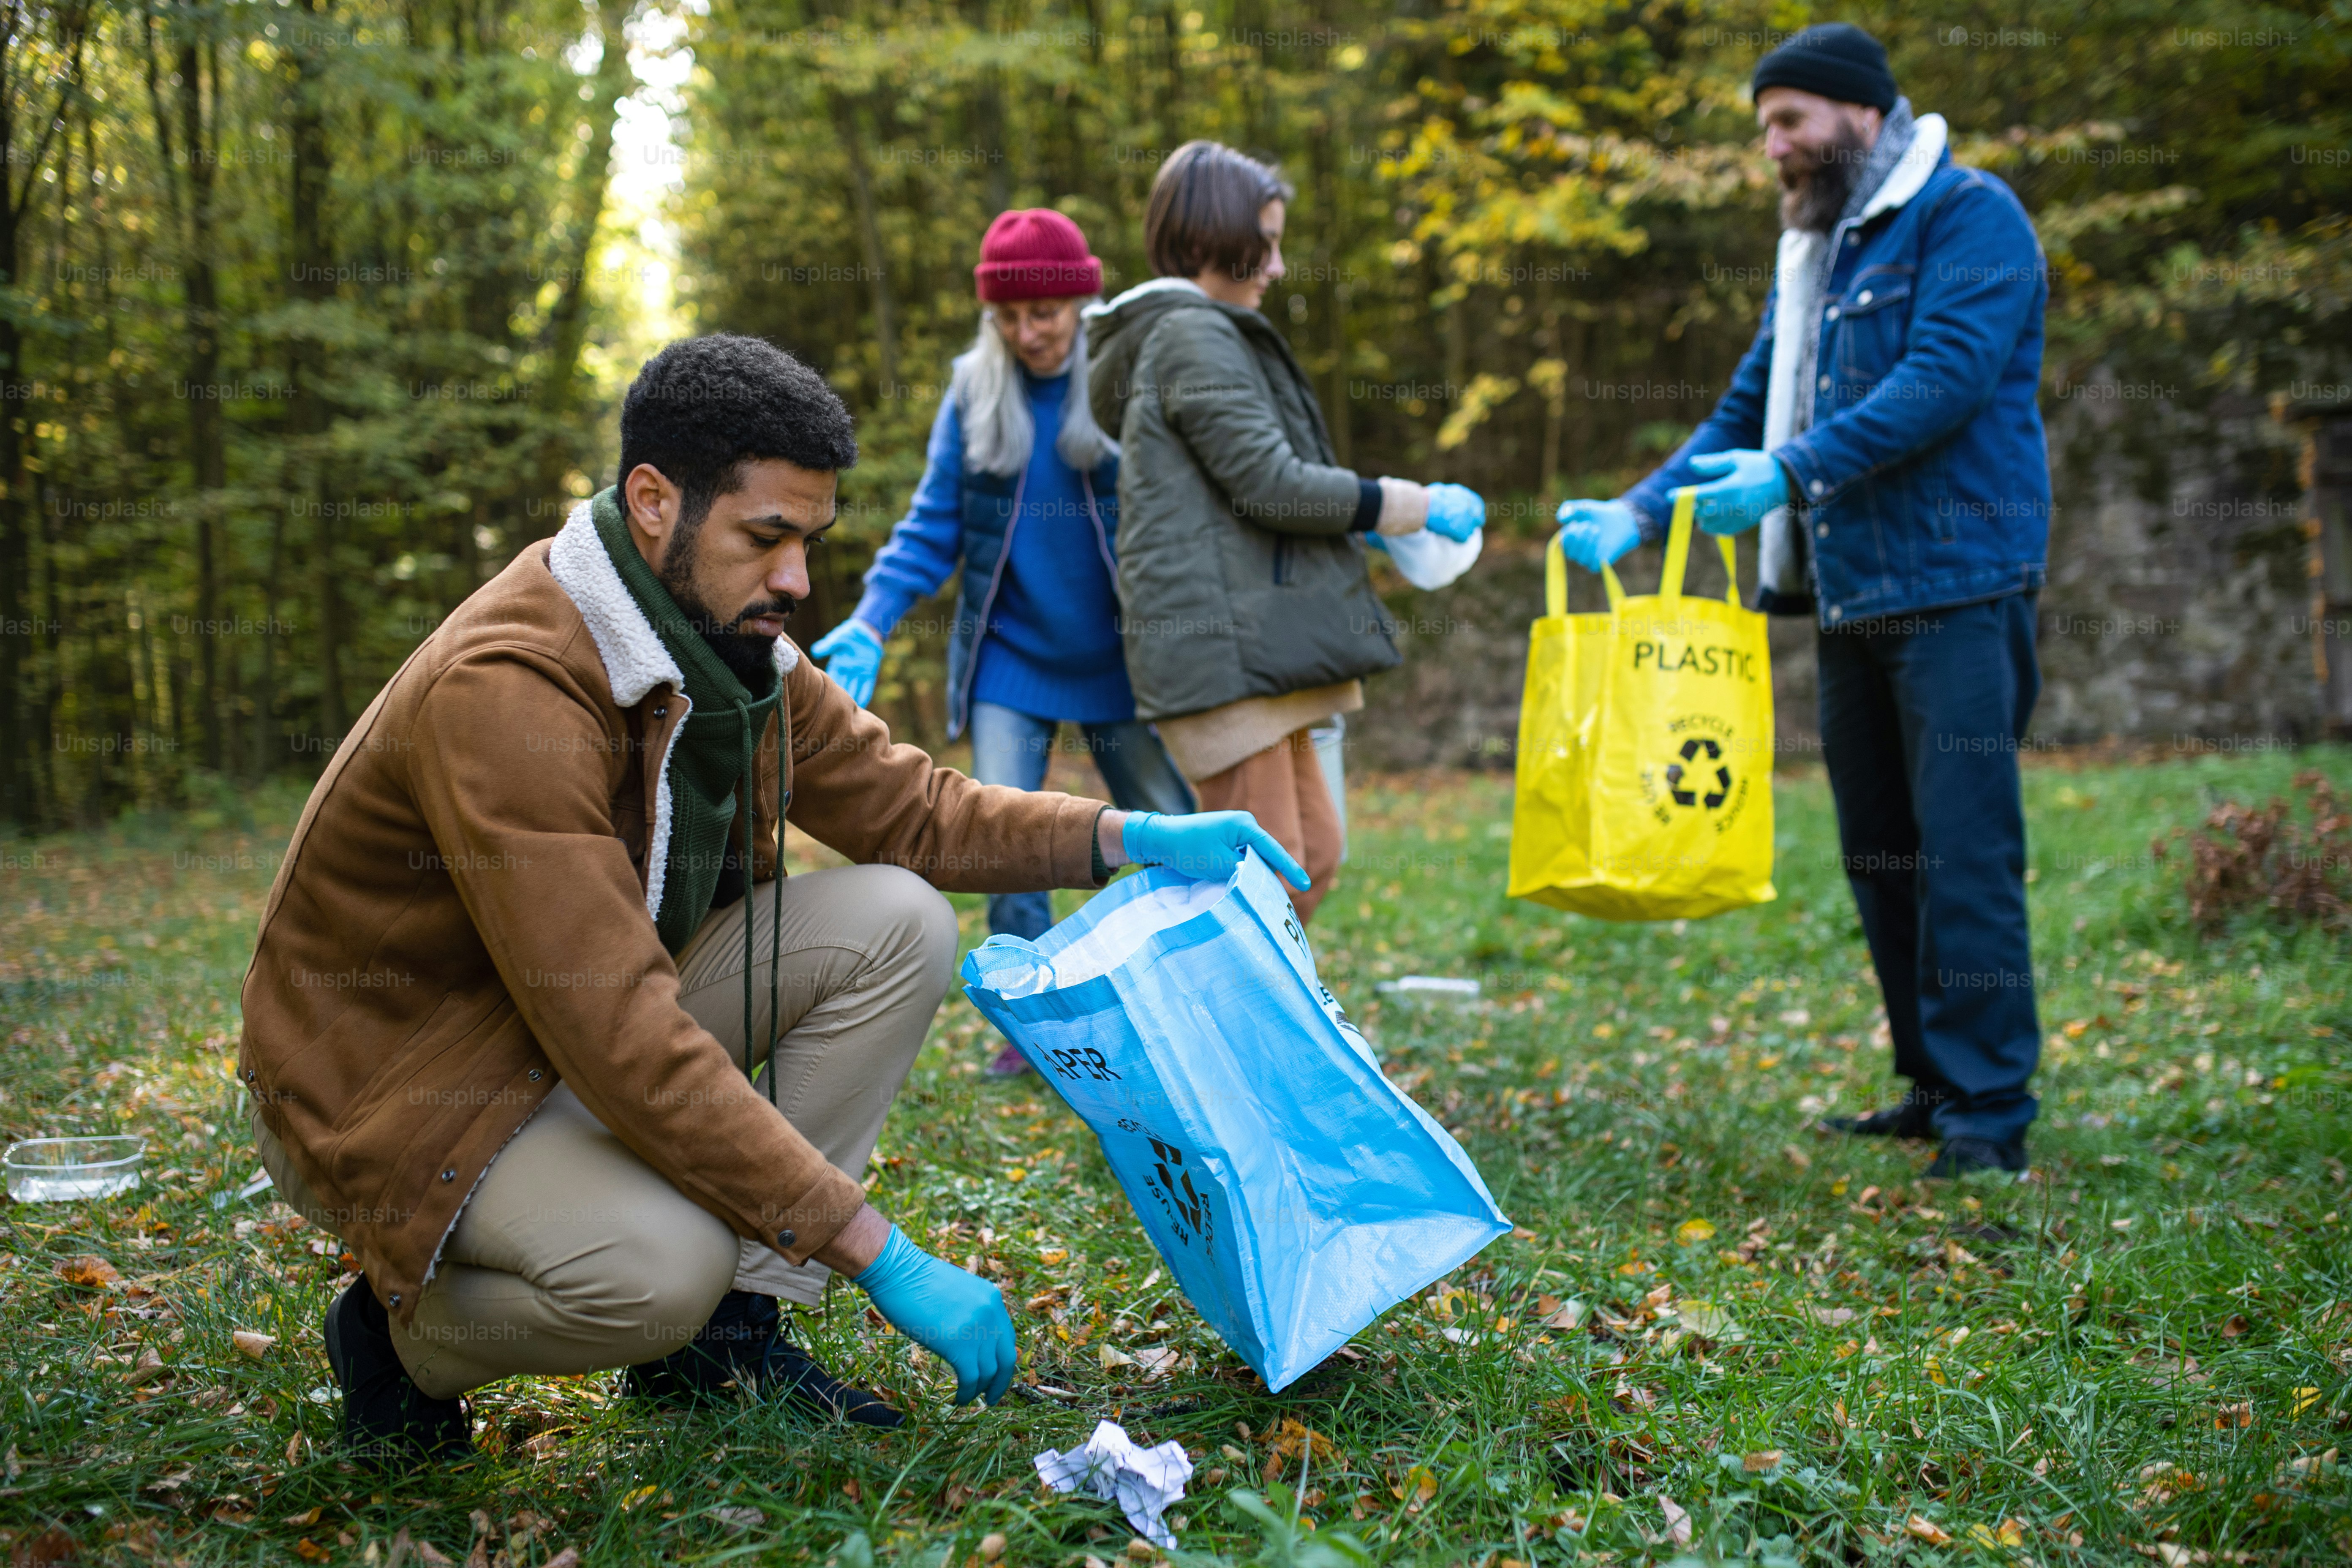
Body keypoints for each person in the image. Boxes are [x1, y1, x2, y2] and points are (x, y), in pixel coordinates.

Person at [238, 332, 1307, 1457]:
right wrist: (878, 1254)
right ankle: (396, 1342)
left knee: (898, 921)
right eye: (767, 538)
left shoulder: (730, 645)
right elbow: (611, 1022)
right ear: (654, 502)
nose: (798, 579)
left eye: (812, 540)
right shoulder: (508, 692)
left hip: (562, 1029)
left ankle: (725, 1344)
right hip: (405, 1083)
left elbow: (916, 812)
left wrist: (1134, 834)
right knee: (659, 1274)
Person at [1554, 23, 2050, 1177]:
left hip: (1958, 587)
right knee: (1881, 854)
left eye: (1790, 122)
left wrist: (1792, 474)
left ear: (1862, 114)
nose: (1772, 147)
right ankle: (1933, 1082)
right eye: (1764, 126)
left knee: (1965, 850)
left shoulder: (1971, 218)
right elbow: (1746, 408)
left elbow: (1945, 381)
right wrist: (1640, 509)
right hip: (1843, 593)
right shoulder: (1819, 253)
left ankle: (1992, 1113)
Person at [810, 210, 1193, 1075]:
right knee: (1004, 841)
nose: (1030, 333)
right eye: (1011, 318)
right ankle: (1038, 1026)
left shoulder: (1129, 379)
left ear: (1082, 301)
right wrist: (873, 616)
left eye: (1047, 314)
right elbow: (931, 526)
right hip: (1014, 659)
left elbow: (1192, 509)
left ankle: (1194, 989)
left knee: (1172, 825)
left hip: (1127, 659)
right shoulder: (975, 391)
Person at [1086, 139, 1486, 922]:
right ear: (1208, 240)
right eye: (1263, 243)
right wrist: (1410, 504)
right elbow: (1272, 485)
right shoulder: (1191, 336)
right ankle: (1203, 1038)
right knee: (1261, 882)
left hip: (1258, 650)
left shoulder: (1198, 335)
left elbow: (1236, 494)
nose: (1275, 265)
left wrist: (1360, 530)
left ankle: (1254, 1031)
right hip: (1223, 653)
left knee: (1307, 865)